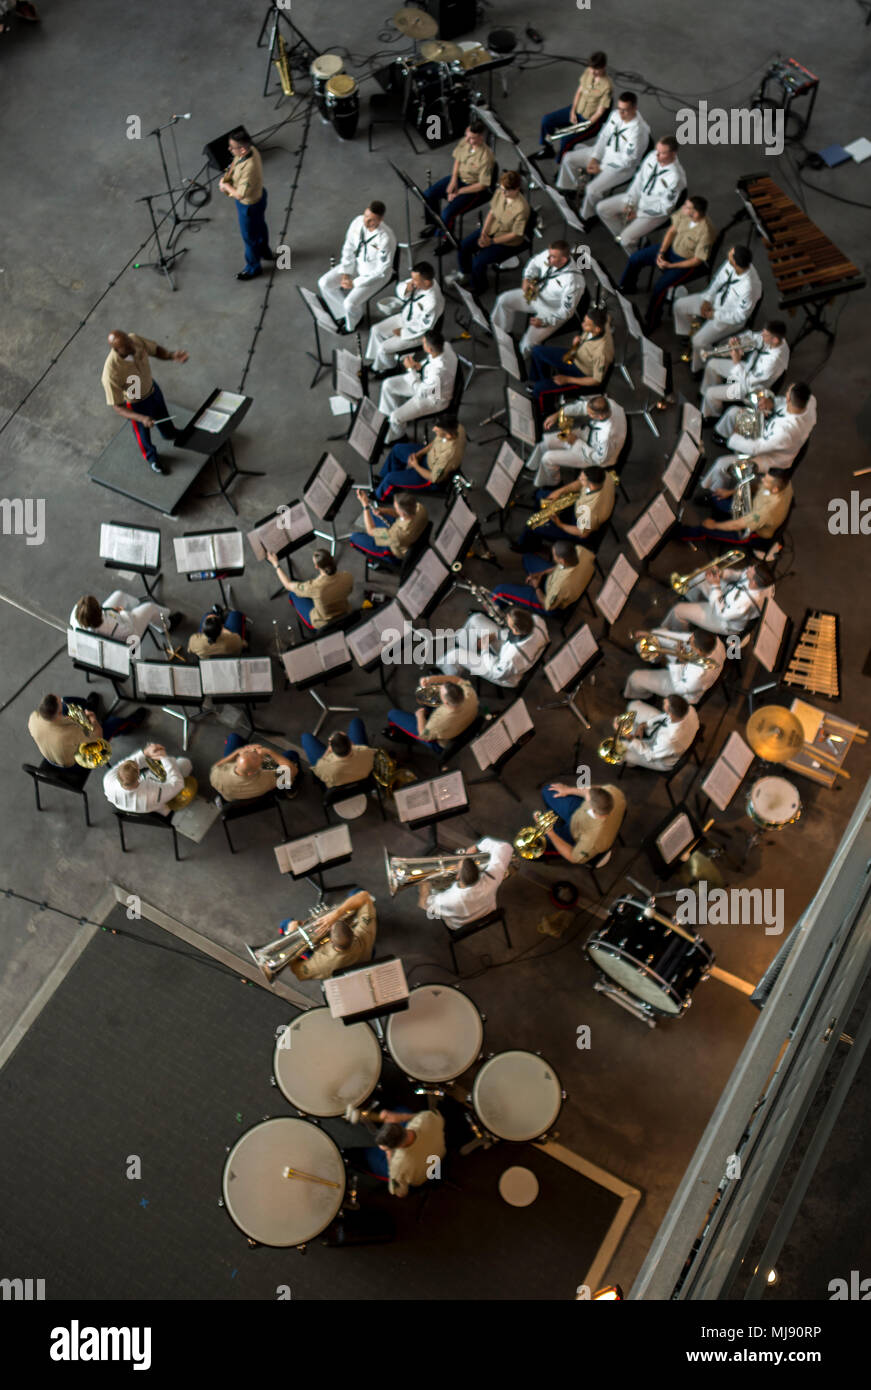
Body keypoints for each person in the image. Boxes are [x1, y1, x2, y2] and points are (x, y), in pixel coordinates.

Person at [618, 195, 716, 331]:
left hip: (685, 262)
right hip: (670, 250)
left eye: (687, 207)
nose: (683, 208)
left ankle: (652, 321)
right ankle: (627, 286)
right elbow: (671, 232)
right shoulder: (684, 214)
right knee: (635, 258)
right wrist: (661, 253)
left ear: (696, 213)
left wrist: (671, 266)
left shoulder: (706, 232)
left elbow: (697, 260)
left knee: (659, 288)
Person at [100, 329, 188, 474]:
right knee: (143, 433)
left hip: (152, 388)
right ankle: (152, 458)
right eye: (126, 346)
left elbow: (155, 349)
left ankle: (169, 433)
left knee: (162, 413)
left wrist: (171, 355)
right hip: (136, 403)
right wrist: (141, 417)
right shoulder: (111, 373)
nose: (131, 346)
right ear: (116, 349)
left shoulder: (134, 340)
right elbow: (118, 407)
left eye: (129, 341)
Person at [556, 92, 650, 223]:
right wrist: (595, 157)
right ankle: (570, 188)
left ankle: (588, 216)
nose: (621, 114)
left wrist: (601, 168)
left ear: (635, 108)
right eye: (620, 109)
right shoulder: (615, 115)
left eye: (625, 110)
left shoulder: (639, 131)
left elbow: (628, 161)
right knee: (569, 158)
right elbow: (604, 137)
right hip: (604, 153)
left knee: (592, 190)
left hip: (619, 168)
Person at [701, 383, 816, 490]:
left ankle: (712, 492)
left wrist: (735, 436)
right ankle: (722, 437)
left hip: (770, 457)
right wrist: (772, 403)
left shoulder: (785, 432)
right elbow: (783, 405)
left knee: (722, 465)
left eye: (787, 393)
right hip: (770, 433)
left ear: (789, 399)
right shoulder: (810, 402)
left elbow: (757, 448)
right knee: (734, 413)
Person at [673, 246, 762, 372]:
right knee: (680, 305)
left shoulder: (749, 287)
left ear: (735, 263)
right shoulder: (732, 264)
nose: (727, 254)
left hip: (727, 318)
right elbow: (718, 280)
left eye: (730, 255)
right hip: (715, 300)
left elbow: (740, 316)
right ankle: (687, 334)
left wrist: (715, 315)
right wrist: (707, 299)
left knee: (698, 341)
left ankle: (699, 367)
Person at [490, 241, 586, 359]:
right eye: (549, 254)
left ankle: (520, 361)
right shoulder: (549, 255)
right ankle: (501, 334)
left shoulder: (574, 282)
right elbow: (534, 263)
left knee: (527, 344)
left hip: (551, 311)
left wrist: (544, 322)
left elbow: (566, 312)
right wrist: (527, 278)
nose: (548, 258)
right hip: (535, 296)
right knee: (503, 300)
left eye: (553, 257)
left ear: (563, 260)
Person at [596, 136, 686, 252]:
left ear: (673, 154)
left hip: (655, 213)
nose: (657, 155)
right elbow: (639, 180)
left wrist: (638, 214)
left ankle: (635, 251)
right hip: (640, 198)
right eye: (657, 151)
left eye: (662, 153)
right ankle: (632, 237)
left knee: (626, 239)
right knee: (602, 208)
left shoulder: (676, 177)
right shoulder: (652, 156)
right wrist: (631, 202)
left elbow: (665, 208)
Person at [317, 201, 397, 332]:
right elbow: (348, 248)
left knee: (350, 303)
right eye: (366, 216)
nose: (366, 222)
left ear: (380, 219)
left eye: (372, 220)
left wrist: (354, 283)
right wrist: (346, 274)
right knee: (324, 283)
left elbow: (381, 271)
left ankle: (353, 323)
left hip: (374, 276)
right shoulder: (357, 222)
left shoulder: (386, 238)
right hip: (357, 265)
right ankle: (342, 313)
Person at [447, 170, 529, 295]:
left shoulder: (522, 208)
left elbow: (515, 235)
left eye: (506, 191)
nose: (503, 193)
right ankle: (466, 273)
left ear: (516, 189)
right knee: (463, 246)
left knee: (479, 261)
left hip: (508, 241)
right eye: (501, 189)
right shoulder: (500, 192)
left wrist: (491, 241)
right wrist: (483, 233)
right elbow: (492, 213)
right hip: (492, 230)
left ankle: (479, 286)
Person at [526, 394, 627, 488]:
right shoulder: (608, 403)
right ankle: (531, 467)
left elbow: (599, 459)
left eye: (590, 414)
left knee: (547, 458)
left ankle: (553, 482)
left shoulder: (607, 437)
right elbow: (582, 407)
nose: (587, 413)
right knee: (546, 442)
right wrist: (559, 414)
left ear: (600, 417)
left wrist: (576, 442)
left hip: (590, 455)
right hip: (587, 435)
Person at [422, 121, 496, 248]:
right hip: (458, 179)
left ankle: (448, 240)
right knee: (428, 195)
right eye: (467, 135)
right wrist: (453, 180)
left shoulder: (486, 157)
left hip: (473, 189)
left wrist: (458, 192)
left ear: (481, 137)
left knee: (447, 214)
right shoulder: (466, 141)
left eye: (472, 138)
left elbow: (483, 185)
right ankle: (436, 225)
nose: (468, 140)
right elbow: (457, 160)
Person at [377, 328, 458, 444]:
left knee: (395, 416)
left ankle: (397, 435)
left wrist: (410, 369)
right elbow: (431, 361)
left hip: (434, 399)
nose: (422, 342)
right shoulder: (445, 346)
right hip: (428, 383)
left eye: (423, 342)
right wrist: (419, 365)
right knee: (388, 385)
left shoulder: (438, 372)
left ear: (429, 349)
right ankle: (391, 421)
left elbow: (421, 391)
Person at [530, 50, 613, 162]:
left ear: (604, 67)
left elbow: (599, 112)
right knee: (546, 120)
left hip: (589, 122)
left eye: (596, 70)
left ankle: (561, 165)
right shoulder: (589, 72)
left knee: (566, 140)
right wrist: (572, 111)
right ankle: (548, 149)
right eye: (591, 69)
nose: (593, 73)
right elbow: (579, 92)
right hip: (575, 111)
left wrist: (584, 125)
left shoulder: (607, 86)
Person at [699, 320, 790, 420]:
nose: (762, 334)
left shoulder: (773, 362)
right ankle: (706, 398)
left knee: (710, 393)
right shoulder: (777, 340)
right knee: (712, 364)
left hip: (750, 388)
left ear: (775, 340)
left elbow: (748, 382)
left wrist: (736, 362)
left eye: (766, 334)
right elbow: (754, 337)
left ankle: (712, 415)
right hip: (747, 368)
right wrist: (738, 340)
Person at [27, 693, 146, 768]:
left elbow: (59, 718)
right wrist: (93, 721)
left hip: (53, 751)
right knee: (111, 723)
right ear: (58, 714)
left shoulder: (33, 718)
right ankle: (131, 724)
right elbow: (96, 737)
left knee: (67, 701)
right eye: (59, 703)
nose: (61, 701)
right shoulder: (71, 732)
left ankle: (89, 706)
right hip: (73, 762)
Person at [680, 469, 794, 547]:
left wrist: (714, 525)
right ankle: (711, 503)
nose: (762, 480)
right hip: (753, 507)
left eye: (766, 481)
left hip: (754, 533)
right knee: (718, 496)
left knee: (707, 528)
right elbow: (758, 486)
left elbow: (738, 525)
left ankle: (682, 533)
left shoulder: (767, 511)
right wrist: (731, 492)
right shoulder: (785, 482)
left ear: (775, 490)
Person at [528, 307, 614, 410]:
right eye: (584, 321)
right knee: (537, 351)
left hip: (581, 373)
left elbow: (596, 380)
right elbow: (608, 317)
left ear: (597, 329)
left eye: (586, 324)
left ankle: (544, 410)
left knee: (539, 389)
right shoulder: (603, 321)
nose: (582, 325)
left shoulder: (601, 352)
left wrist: (567, 379)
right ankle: (540, 382)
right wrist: (579, 341)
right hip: (575, 355)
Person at [365, 262, 444, 373]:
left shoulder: (432, 302)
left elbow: (424, 327)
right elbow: (401, 287)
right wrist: (407, 289)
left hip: (416, 333)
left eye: (415, 280)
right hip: (406, 317)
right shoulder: (422, 281)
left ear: (426, 282)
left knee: (384, 348)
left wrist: (403, 332)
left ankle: (389, 369)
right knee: (376, 330)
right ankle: (379, 362)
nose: (412, 282)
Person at [438, 607, 548, 686]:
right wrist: (495, 635)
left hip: (507, 675)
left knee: (454, 655)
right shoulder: (537, 620)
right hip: (514, 653)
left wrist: (485, 649)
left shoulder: (512, 656)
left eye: (508, 623)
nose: (506, 621)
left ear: (515, 630)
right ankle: (461, 658)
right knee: (475, 619)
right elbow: (509, 633)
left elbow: (497, 672)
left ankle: (447, 679)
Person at [284, 890, 377, 982]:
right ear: (353, 932)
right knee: (356, 893)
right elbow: (364, 896)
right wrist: (336, 914)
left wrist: (292, 935)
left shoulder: (320, 964)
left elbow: (297, 971)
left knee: (285, 924)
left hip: (330, 965)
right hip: (364, 956)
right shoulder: (363, 933)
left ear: (330, 941)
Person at [662, 560, 775, 636]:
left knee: (678, 610)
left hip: (724, 621)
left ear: (754, 582)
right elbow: (739, 575)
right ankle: (689, 598)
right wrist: (721, 574)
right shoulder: (756, 581)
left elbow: (722, 613)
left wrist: (715, 585)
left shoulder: (744, 603)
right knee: (700, 575)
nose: (749, 568)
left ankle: (674, 635)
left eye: (752, 569)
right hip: (727, 595)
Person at [421, 839, 515, 928]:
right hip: (487, 912)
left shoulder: (447, 899)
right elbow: (505, 847)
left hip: (460, 924)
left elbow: (425, 905)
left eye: (457, 866)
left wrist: (424, 884)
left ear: (457, 876)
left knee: (434, 890)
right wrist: (477, 847)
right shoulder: (492, 878)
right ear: (478, 871)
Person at [218, 129, 273, 281]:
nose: (230, 149)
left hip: (249, 205)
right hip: (259, 195)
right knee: (260, 226)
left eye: (232, 147)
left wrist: (225, 186)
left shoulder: (250, 168)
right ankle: (265, 252)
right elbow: (235, 164)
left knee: (249, 238)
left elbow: (240, 194)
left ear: (242, 149)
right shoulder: (251, 150)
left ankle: (253, 268)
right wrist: (228, 176)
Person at [518, 465, 616, 550]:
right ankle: (541, 515)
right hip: (580, 506)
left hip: (579, 528)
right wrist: (559, 492)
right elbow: (578, 484)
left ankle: (527, 546)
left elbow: (582, 533)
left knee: (533, 526)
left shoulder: (588, 510)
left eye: (582, 479)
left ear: (590, 486)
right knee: (540, 495)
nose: (579, 478)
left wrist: (559, 524)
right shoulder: (603, 475)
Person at [374, 416, 466, 501]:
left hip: (430, 476)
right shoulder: (455, 427)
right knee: (397, 449)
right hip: (431, 457)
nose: (434, 430)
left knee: (391, 478)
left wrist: (415, 465)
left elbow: (434, 478)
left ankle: (380, 496)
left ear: (448, 436)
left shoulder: (448, 455)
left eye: (438, 430)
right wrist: (418, 454)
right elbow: (435, 443)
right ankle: (386, 482)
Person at [623, 627, 725, 704]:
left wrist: (679, 662)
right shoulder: (715, 641)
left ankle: (646, 697)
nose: (688, 641)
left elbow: (678, 687)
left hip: (684, 689)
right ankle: (655, 660)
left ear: (699, 651)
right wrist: (652, 634)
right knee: (657, 634)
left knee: (635, 677)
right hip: (690, 666)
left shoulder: (697, 676)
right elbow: (685, 638)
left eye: (691, 642)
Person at [493, 540, 596, 612]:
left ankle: (495, 612)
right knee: (527, 557)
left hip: (550, 602)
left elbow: (547, 605)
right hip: (557, 581)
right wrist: (541, 573)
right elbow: (559, 567)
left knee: (500, 591)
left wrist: (537, 587)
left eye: (554, 555)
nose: (553, 557)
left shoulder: (560, 587)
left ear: (562, 560)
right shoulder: (581, 550)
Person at [366, 1106, 447, 1197]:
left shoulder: (398, 1167)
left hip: (426, 1177)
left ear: (394, 1148)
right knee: (400, 1110)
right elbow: (438, 1118)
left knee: (372, 1156)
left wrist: (389, 1154)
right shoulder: (425, 1117)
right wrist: (401, 1117)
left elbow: (400, 1193)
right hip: (439, 1153)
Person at [387, 675, 478, 754]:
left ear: (445, 703)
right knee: (428, 695)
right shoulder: (470, 692)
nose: (439, 687)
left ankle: (398, 734)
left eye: (441, 692)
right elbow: (456, 679)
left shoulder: (438, 721)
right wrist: (431, 679)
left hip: (443, 742)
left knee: (392, 714)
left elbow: (423, 735)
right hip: (464, 722)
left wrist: (420, 716)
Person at [266, 548, 353, 629]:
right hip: (345, 613)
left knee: (293, 594)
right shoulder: (348, 576)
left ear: (316, 566)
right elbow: (349, 591)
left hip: (324, 623)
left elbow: (288, 585)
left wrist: (276, 564)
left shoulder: (314, 587)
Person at [538, 783, 626, 863]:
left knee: (538, 846)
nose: (585, 791)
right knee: (548, 790)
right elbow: (594, 791)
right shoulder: (613, 791)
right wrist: (569, 790)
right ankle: (555, 817)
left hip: (575, 836)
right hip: (578, 814)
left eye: (588, 795)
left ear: (590, 806)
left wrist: (550, 832)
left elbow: (573, 857)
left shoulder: (591, 841)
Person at [103, 742, 192, 815]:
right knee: (184, 763)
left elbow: (124, 763)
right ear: (138, 774)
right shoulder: (154, 793)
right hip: (156, 803)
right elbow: (178, 784)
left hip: (133, 804)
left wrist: (145, 752)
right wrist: (165, 758)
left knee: (139, 753)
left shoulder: (108, 779)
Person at [619, 694, 699, 772]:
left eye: (664, 703)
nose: (663, 702)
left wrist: (630, 738)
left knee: (618, 749)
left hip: (659, 758)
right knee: (633, 706)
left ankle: (632, 764)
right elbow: (665, 716)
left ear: (670, 713)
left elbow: (650, 756)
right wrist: (642, 726)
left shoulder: (669, 739)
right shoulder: (690, 709)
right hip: (663, 736)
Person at [349, 490, 428, 564]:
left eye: (396, 508)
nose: (395, 509)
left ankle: (374, 561)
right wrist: (384, 511)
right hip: (410, 535)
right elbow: (399, 514)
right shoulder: (420, 508)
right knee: (373, 516)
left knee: (354, 538)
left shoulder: (395, 534)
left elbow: (370, 531)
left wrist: (365, 506)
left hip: (394, 550)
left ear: (402, 513)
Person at [71, 591, 181, 643]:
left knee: (119, 595)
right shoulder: (110, 626)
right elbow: (129, 630)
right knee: (150, 607)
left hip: (109, 620)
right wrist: (124, 613)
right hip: (129, 635)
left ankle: (137, 606)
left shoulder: (76, 617)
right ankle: (166, 625)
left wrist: (112, 612)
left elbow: (104, 614)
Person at [209, 739, 300, 801]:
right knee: (291, 754)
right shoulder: (266, 779)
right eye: (259, 758)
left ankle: (244, 747)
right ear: (251, 772)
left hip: (233, 796)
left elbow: (218, 765)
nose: (259, 755)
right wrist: (269, 752)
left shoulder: (216, 774)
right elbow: (292, 770)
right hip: (259, 789)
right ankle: (289, 791)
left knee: (234, 738)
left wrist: (239, 751)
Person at [300, 723, 375, 787]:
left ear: (331, 749)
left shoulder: (324, 767)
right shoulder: (367, 752)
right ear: (351, 743)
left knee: (305, 737)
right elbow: (373, 752)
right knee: (356, 722)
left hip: (338, 788)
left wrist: (328, 751)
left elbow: (317, 770)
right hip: (363, 783)